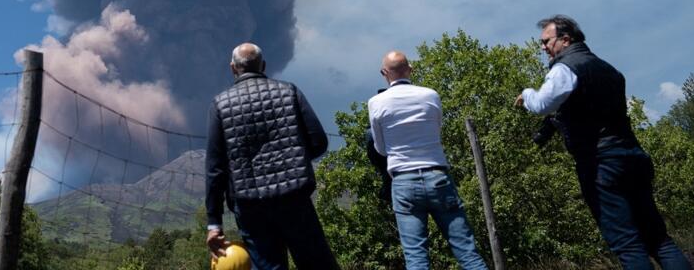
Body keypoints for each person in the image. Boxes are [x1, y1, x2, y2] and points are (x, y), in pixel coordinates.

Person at [516, 15, 691, 269]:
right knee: (659, 240)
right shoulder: (610, 70)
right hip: (633, 157)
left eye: (545, 42)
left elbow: (543, 103)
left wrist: (526, 94)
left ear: (565, 40)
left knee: (628, 245)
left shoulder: (565, 68)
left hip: (601, 164)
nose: (542, 47)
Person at [205, 43, 340, 270]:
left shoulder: (220, 105)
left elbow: (215, 169)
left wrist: (214, 223)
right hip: (295, 198)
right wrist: (295, 161)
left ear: (233, 68)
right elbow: (318, 141)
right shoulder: (289, 91)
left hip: (250, 207)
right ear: (263, 65)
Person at [368, 51, 488, 270]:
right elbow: (436, 129)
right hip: (437, 176)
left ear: (384, 73)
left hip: (404, 181)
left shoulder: (376, 102)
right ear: (411, 69)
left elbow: (381, 149)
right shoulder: (431, 95)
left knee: (416, 257)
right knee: (466, 252)